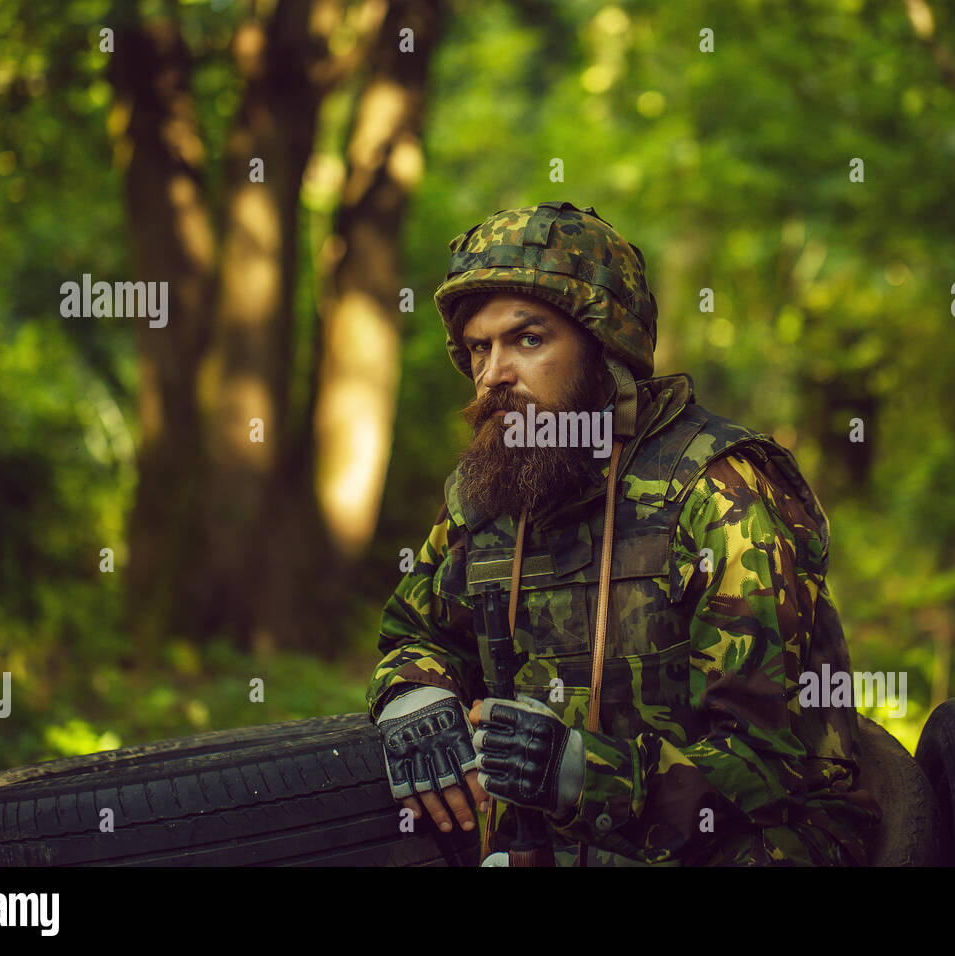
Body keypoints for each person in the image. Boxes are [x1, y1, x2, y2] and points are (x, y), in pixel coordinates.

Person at [366, 201, 881, 866]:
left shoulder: (719, 489)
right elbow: (415, 632)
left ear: (605, 351)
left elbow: (774, 766)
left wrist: (579, 772)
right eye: (477, 348)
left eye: (527, 340)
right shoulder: (488, 491)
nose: (494, 373)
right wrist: (416, 694)